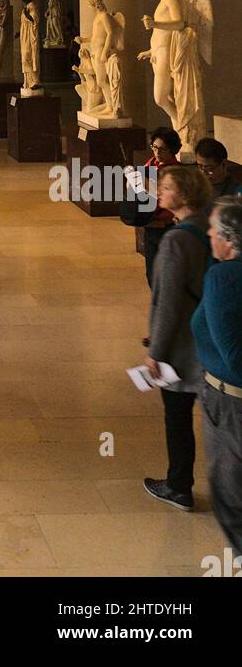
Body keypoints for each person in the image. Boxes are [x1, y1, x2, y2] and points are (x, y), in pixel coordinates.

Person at [142, 165, 215, 511]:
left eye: (167, 187)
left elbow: (167, 303)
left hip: (182, 346)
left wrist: (155, 351)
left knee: (177, 416)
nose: (159, 191)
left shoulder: (175, 241)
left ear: (183, 195)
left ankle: (178, 485)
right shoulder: (209, 228)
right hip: (211, 341)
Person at [193, 200, 242, 554]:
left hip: (230, 405)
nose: (208, 233)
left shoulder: (223, 279)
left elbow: (235, 357)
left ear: (230, 239)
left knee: (230, 496)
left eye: (213, 228)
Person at [120, 127, 181, 286]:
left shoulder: (176, 171)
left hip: (166, 228)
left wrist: (144, 185)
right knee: (152, 275)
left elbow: (158, 194)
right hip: (150, 227)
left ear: (173, 149)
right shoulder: (150, 165)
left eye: (163, 149)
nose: (157, 152)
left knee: (166, 276)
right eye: (154, 147)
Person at [194, 137, 242, 201]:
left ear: (224, 164)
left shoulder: (236, 193)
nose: (203, 172)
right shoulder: (194, 185)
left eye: (208, 168)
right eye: (200, 166)